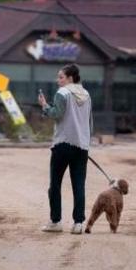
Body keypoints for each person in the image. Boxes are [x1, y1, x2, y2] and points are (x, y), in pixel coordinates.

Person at [38, 63, 93, 234]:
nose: (58, 80)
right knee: (79, 185)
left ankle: (56, 222)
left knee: (55, 184)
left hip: (62, 144)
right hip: (81, 146)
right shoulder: (86, 94)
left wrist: (44, 106)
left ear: (70, 78)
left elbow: (56, 114)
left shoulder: (63, 93)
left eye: (61, 77)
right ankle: (78, 223)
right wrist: (85, 141)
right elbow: (89, 122)